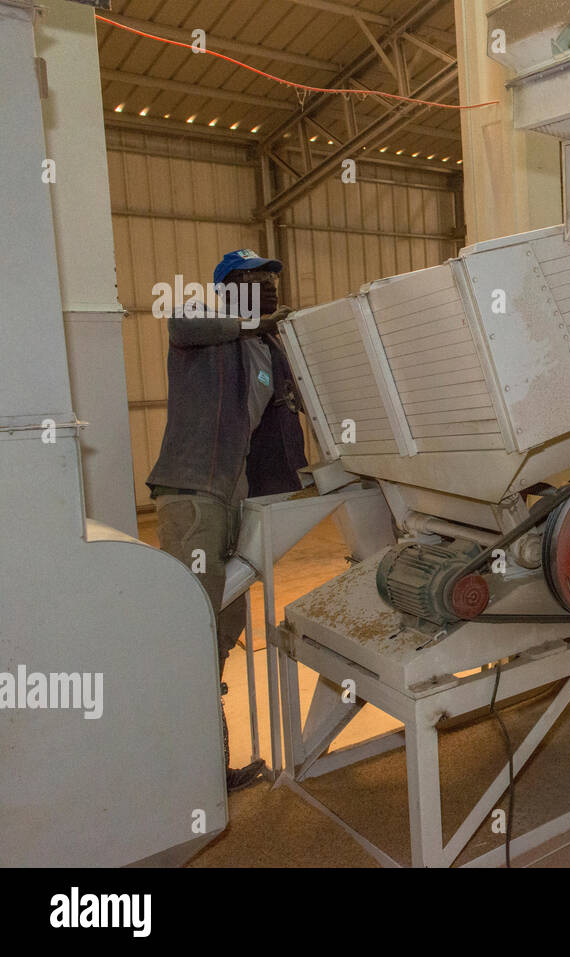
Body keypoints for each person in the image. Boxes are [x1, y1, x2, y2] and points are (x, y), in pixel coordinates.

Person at [147, 249, 308, 791]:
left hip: (233, 498)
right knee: (190, 625)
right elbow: (181, 322)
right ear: (225, 288)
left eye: (268, 280)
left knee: (219, 630)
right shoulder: (200, 325)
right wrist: (256, 321)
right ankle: (177, 781)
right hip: (193, 492)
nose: (264, 287)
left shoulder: (264, 350)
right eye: (250, 280)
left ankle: (209, 775)